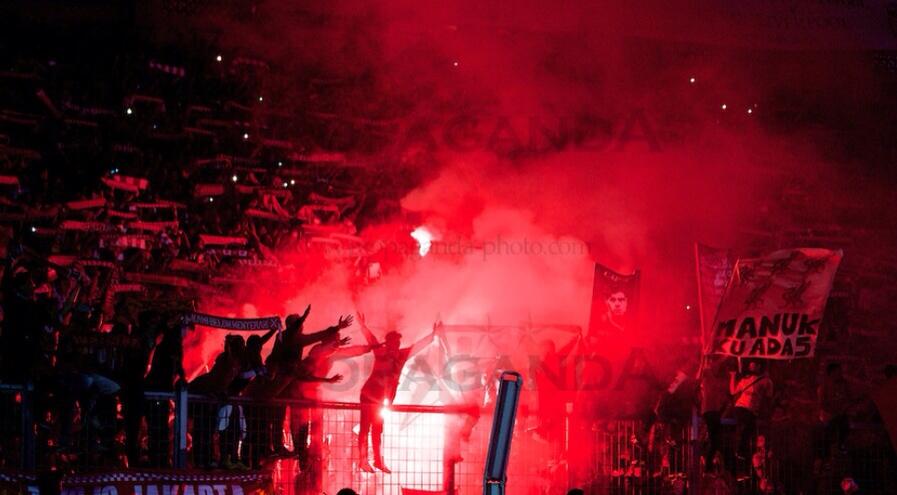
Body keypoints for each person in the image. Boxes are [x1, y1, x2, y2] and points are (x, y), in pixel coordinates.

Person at [355, 312, 437, 473]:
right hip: (369, 394)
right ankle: (362, 460)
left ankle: (378, 461)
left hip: (382, 399)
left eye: (398, 342)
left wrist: (433, 335)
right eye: (394, 342)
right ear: (388, 343)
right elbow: (371, 340)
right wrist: (363, 326)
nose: (397, 345)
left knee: (378, 428)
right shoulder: (381, 352)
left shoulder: (402, 355)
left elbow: (418, 346)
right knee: (365, 427)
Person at [729, 360, 773, 463]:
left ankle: (743, 453)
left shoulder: (765, 381)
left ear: (759, 366)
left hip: (752, 411)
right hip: (741, 407)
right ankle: (740, 451)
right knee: (748, 426)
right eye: (750, 365)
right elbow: (733, 391)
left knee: (750, 429)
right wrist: (732, 376)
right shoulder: (745, 379)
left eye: (753, 365)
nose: (751, 367)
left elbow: (768, 397)